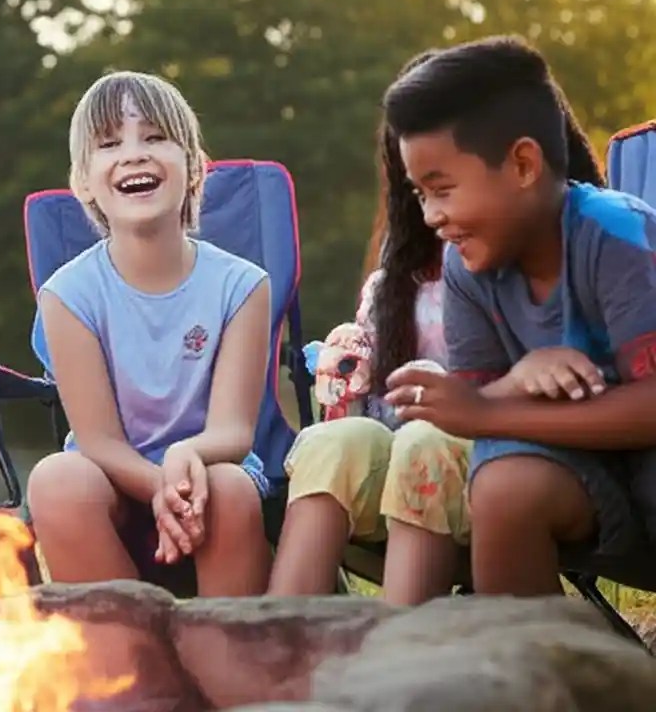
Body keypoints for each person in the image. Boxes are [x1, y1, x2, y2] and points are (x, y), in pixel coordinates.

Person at [381, 35, 656, 596]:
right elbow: (481, 394)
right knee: (504, 486)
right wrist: (503, 389)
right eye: (420, 196)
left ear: (523, 164)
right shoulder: (467, 266)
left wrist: (483, 413)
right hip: (584, 473)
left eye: (443, 190)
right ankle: (537, 672)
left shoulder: (616, 234)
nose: (432, 216)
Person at [25, 71, 274, 596]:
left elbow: (235, 433)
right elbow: (97, 441)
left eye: (156, 138)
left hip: (212, 471)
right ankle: (130, 663)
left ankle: (229, 664)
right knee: (56, 481)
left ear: (196, 168)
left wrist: (186, 461)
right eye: (110, 144)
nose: (134, 155)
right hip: (112, 479)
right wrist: (160, 485)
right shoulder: (66, 296)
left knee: (228, 486)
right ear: (83, 182)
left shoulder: (242, 286)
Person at [268, 51, 474, 605]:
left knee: (422, 440)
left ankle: (394, 658)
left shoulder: (513, 271)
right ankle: (276, 640)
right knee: (336, 440)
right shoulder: (391, 288)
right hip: (395, 473)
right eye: (419, 184)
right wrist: (347, 379)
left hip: (489, 468)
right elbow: (367, 408)